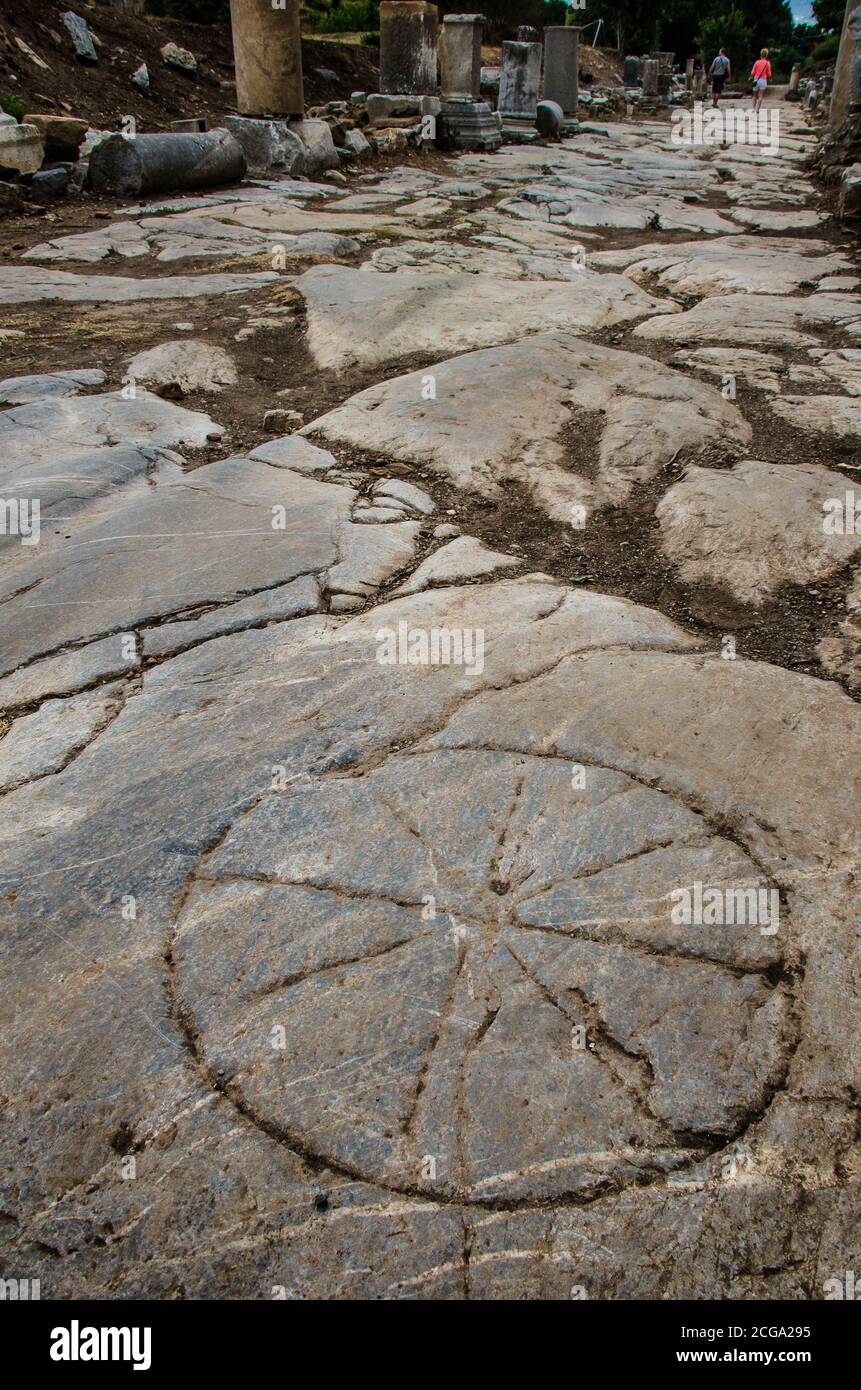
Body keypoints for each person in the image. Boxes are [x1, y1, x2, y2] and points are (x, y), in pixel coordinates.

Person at [751, 48, 772, 113]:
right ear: (766, 55)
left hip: (756, 80)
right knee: (760, 96)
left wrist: (751, 77)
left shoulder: (757, 62)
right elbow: (769, 74)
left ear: (761, 54)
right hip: (763, 80)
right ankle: (757, 109)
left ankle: (753, 108)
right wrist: (770, 78)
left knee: (754, 95)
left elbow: (752, 72)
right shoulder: (767, 63)